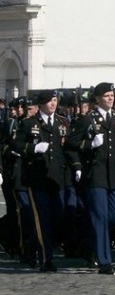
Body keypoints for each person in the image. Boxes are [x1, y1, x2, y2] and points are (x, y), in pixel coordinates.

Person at [65, 82, 115, 274]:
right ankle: (104, 261)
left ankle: (88, 243)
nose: (111, 98)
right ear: (98, 99)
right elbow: (70, 145)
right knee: (99, 218)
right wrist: (89, 144)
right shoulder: (87, 120)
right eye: (107, 95)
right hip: (95, 176)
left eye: (112, 95)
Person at [16, 90, 71, 272]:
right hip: (37, 179)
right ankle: (46, 260)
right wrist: (33, 148)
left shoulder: (63, 122)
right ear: (41, 104)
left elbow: (68, 149)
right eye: (49, 101)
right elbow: (16, 144)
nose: (52, 104)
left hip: (57, 178)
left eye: (54, 100)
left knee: (58, 217)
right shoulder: (29, 123)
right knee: (42, 220)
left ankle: (31, 245)